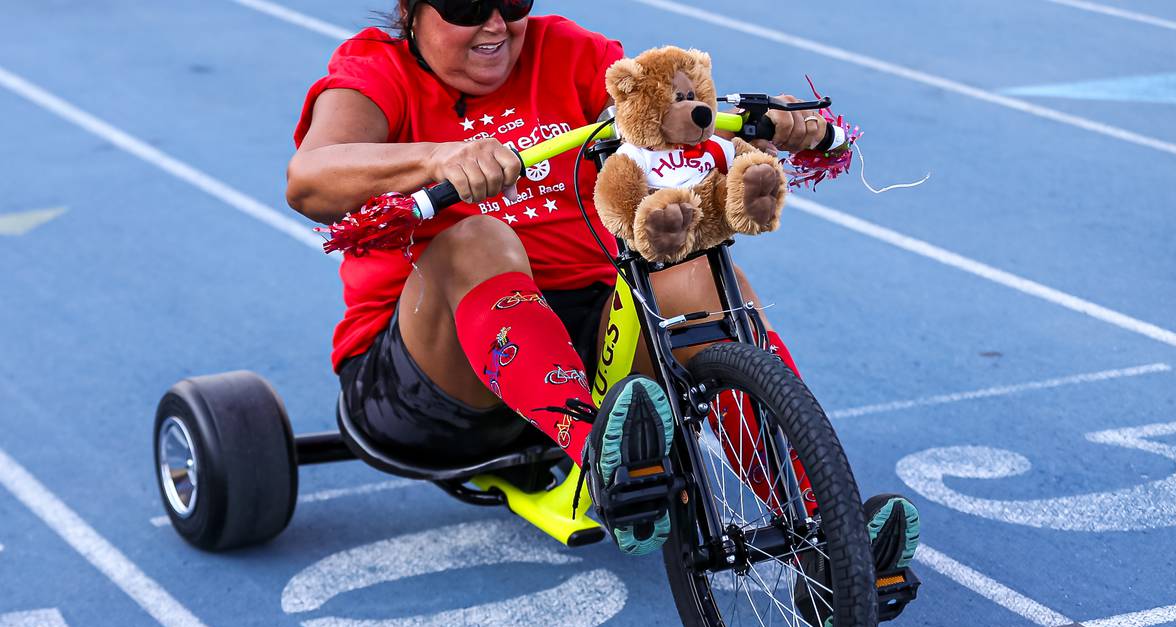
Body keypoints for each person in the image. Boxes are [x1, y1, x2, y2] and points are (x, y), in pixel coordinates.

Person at [288, 0, 920, 567]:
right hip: (430, 386)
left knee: (692, 260)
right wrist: (438, 156)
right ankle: (598, 459)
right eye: (466, 4)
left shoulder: (565, 49)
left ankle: (826, 523)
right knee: (478, 236)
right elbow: (309, 179)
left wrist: (765, 121)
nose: (495, 24)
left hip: (591, 346)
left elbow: (662, 116)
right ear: (410, 11)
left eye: (511, 0)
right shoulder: (376, 69)